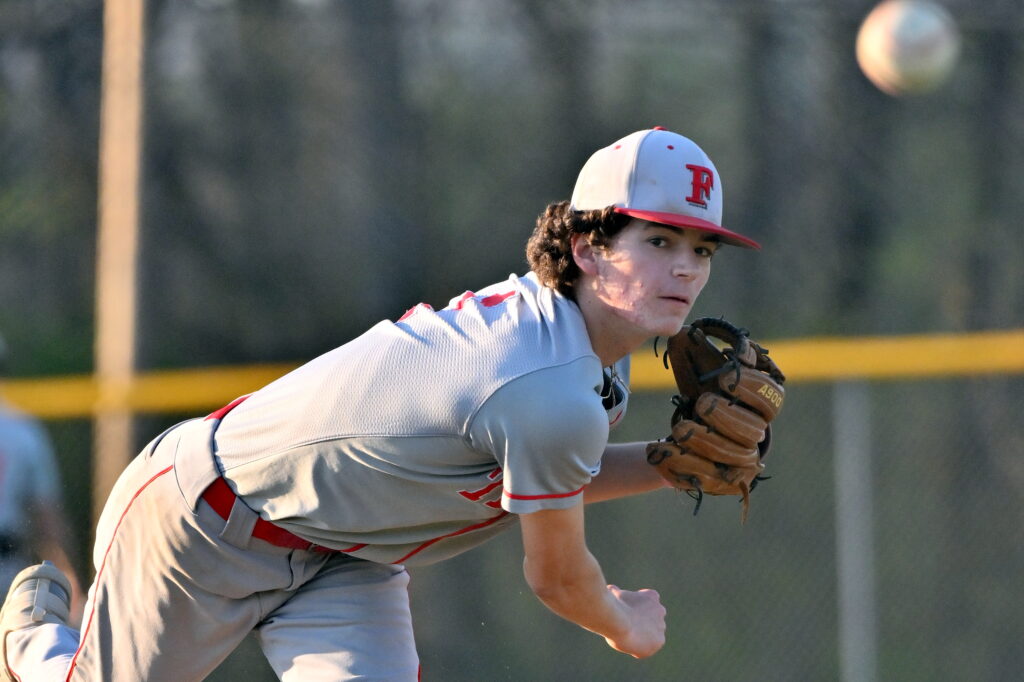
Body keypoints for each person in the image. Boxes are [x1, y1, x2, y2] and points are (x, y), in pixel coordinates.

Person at [1, 127, 763, 681]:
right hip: (206, 523)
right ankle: (33, 646)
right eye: (660, 241)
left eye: (701, 250)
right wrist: (623, 622)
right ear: (591, 247)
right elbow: (559, 578)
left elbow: (540, 475)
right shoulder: (549, 381)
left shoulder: (586, 353)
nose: (687, 269)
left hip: (346, 556)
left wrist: (667, 465)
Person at [0, 334, 85, 629]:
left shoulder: (23, 431)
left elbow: (47, 517)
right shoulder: (22, 431)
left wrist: (68, 578)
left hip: (8, 574)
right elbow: (47, 517)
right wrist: (68, 579)